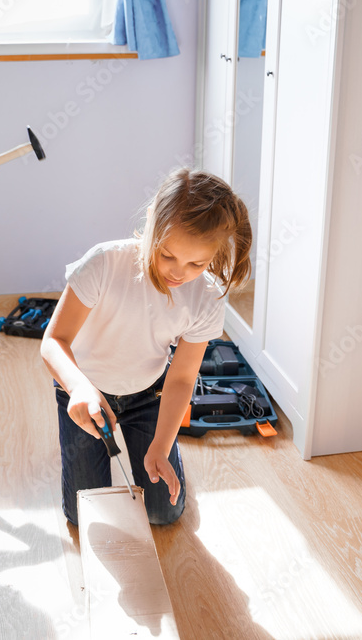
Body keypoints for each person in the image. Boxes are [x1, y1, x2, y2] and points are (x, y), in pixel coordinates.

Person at [41, 169, 252, 525]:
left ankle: (160, 447)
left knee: (162, 512)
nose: (178, 273)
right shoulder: (103, 263)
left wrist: (162, 445)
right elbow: (53, 341)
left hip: (148, 394)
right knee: (83, 516)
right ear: (152, 222)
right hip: (84, 389)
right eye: (167, 254)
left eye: (197, 263)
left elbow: (181, 378)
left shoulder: (207, 296)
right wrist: (77, 388)